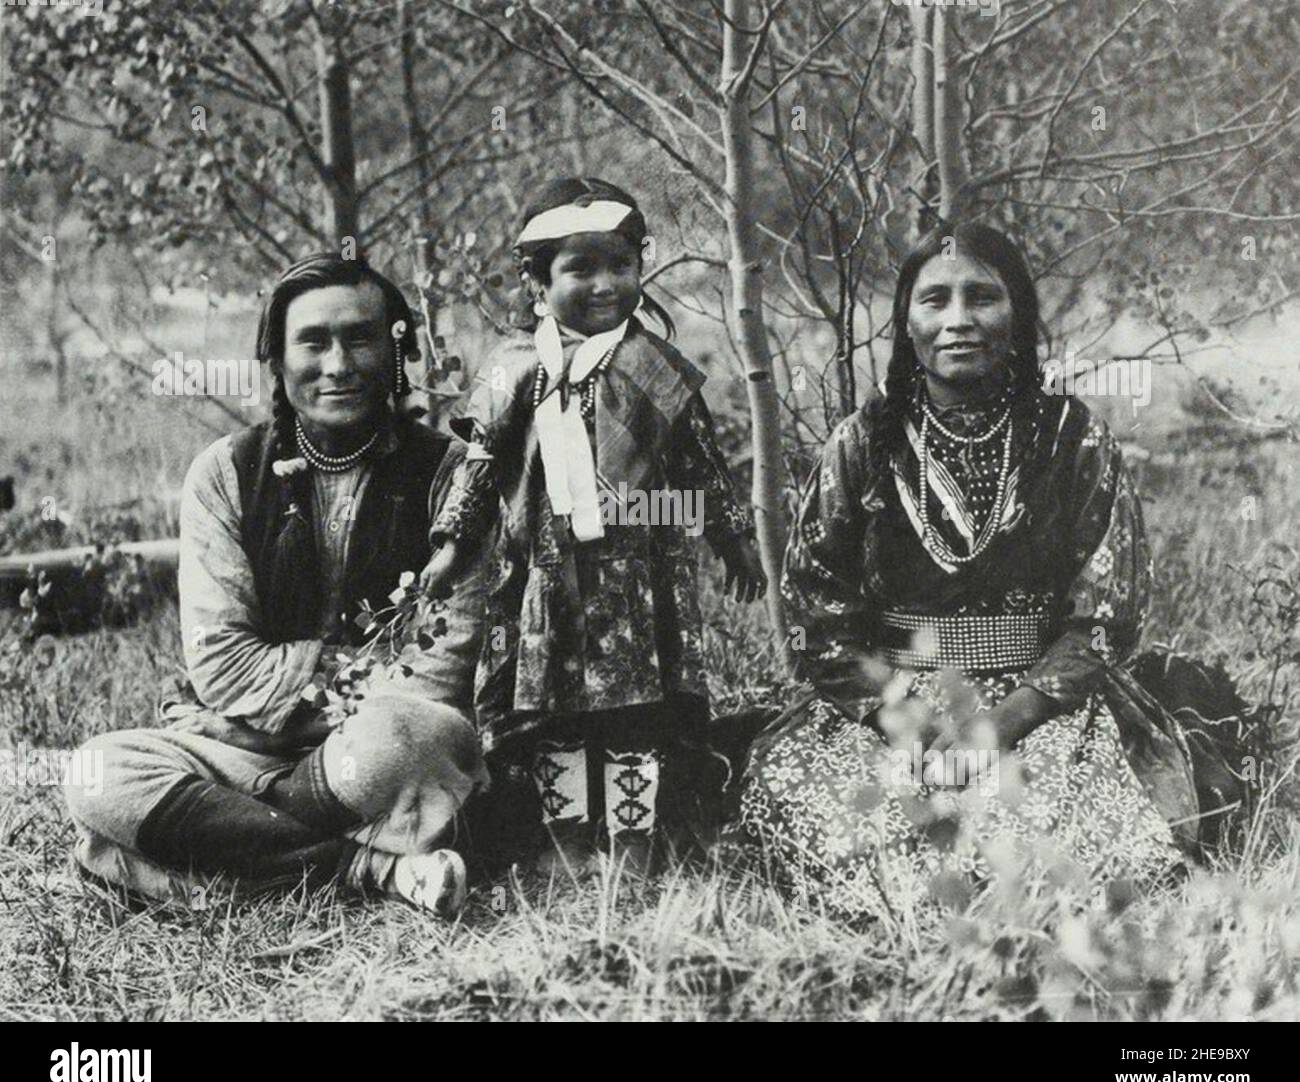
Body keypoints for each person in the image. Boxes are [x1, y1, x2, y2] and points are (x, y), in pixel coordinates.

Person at [737, 223, 1203, 922]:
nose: (958, 320)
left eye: (982, 297)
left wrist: (998, 725)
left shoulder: (1072, 438)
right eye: (935, 300)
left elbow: (1106, 614)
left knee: (1059, 841)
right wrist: (914, 725)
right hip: (892, 711)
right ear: (905, 321)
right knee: (852, 828)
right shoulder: (863, 442)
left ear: (1017, 314)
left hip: (1042, 702)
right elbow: (820, 613)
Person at [64, 253, 489, 916]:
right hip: (245, 752)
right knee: (97, 773)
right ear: (276, 359)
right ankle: (373, 869)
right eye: (313, 342)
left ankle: (203, 855)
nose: (339, 365)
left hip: (375, 753)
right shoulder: (223, 473)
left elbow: (442, 665)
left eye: (361, 338)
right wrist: (335, 684)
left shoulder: (452, 475)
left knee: (410, 733)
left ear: (396, 351)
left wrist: (306, 716)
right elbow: (222, 665)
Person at [421, 178, 767, 873]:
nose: (605, 284)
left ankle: (632, 841)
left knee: (636, 713)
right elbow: (478, 464)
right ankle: (568, 840)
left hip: (637, 583)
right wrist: (454, 544)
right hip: (547, 582)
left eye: (621, 264)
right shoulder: (513, 370)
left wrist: (733, 539)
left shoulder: (655, 368)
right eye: (580, 268)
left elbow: (702, 464)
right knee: (556, 716)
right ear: (537, 280)